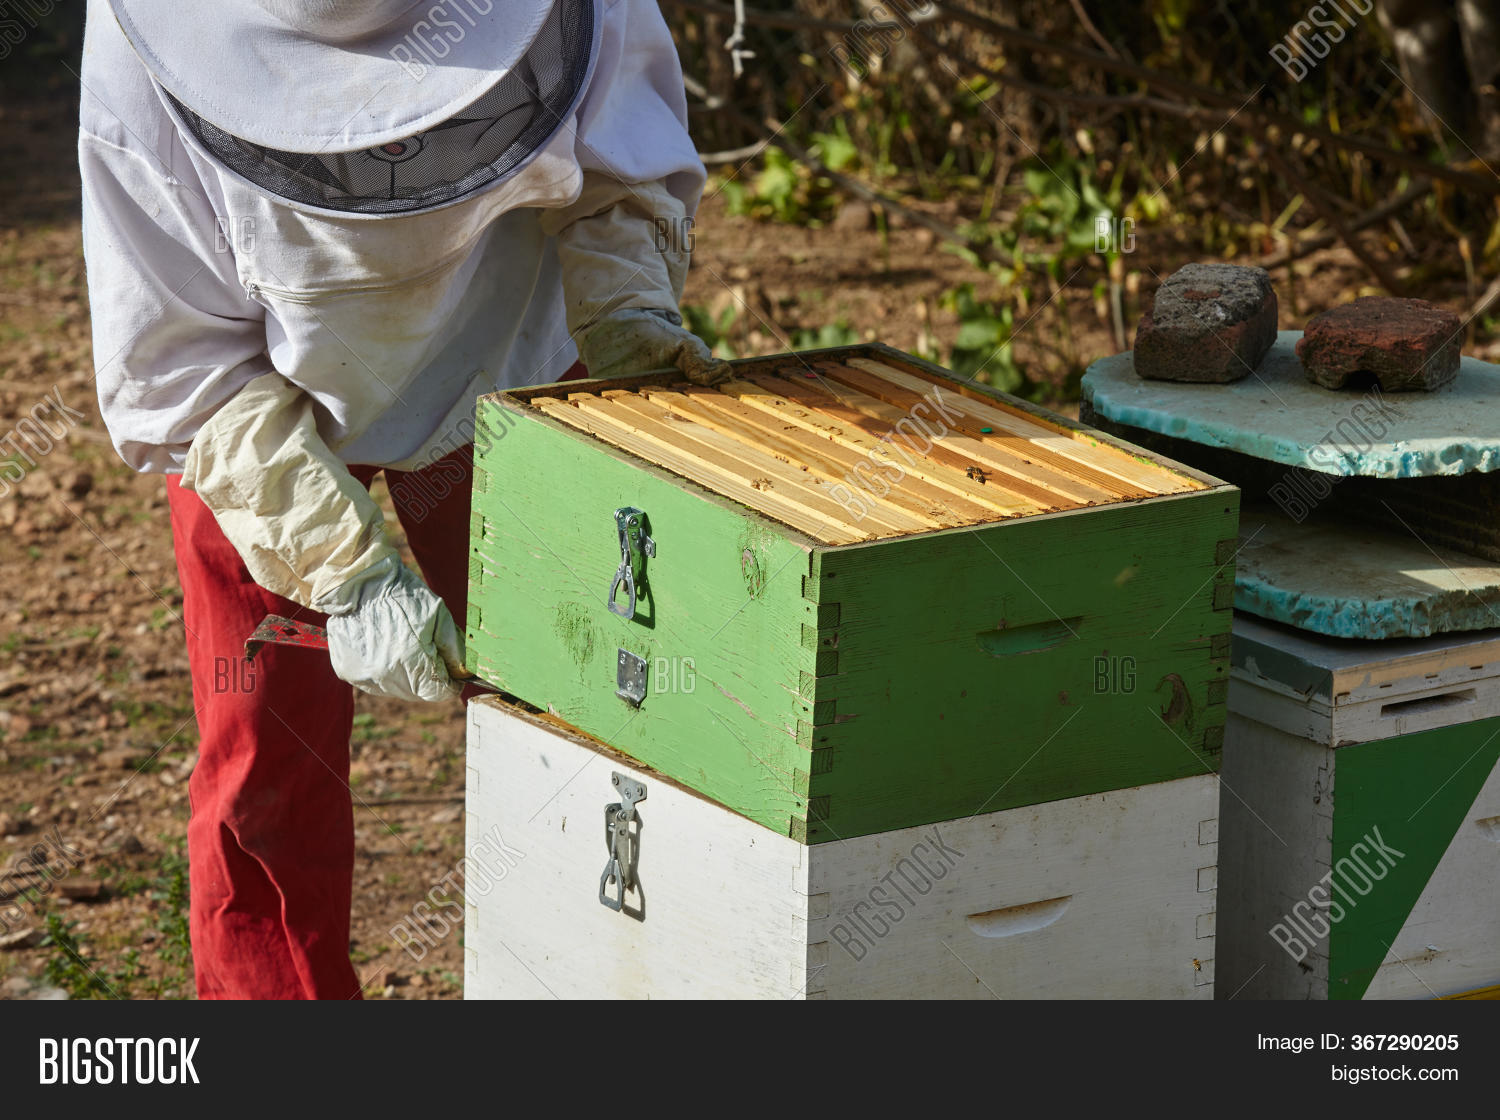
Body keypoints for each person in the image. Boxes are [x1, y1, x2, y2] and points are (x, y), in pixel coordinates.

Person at [78, 0, 727, 999]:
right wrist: (344, 571)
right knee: (262, 760)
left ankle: (594, 977)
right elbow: (180, 360)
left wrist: (625, 300)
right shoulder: (139, 39)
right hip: (258, 398)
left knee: (582, 707)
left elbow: (621, 152)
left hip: (503, 361)